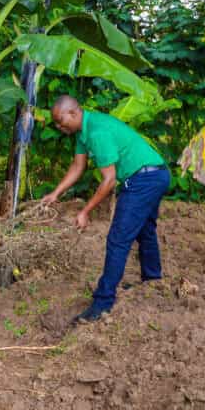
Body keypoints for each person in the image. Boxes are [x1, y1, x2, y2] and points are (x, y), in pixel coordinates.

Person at [41, 95, 170, 324]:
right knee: (145, 230)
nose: (60, 127)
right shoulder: (84, 131)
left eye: (62, 121)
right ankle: (152, 280)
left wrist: (85, 211)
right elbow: (78, 166)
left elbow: (109, 180)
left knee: (118, 239)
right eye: (57, 124)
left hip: (144, 179)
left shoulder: (97, 133)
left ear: (74, 112)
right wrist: (56, 193)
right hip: (154, 175)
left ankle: (102, 303)